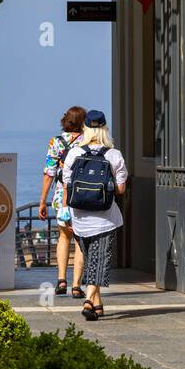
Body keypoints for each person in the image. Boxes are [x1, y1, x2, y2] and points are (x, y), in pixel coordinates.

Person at [60, 109, 128, 321]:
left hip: (80, 218)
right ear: (105, 129)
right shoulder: (114, 155)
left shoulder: (74, 154)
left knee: (92, 260)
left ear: (86, 129)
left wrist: (66, 211)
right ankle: (90, 300)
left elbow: (66, 184)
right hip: (105, 219)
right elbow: (121, 189)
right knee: (99, 261)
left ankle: (97, 304)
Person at [39, 105, 86, 298]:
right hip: (83, 196)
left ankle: (61, 280)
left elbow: (49, 173)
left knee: (63, 237)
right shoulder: (88, 140)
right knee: (80, 240)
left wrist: (42, 200)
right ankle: (76, 285)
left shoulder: (55, 142)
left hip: (61, 196)